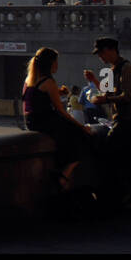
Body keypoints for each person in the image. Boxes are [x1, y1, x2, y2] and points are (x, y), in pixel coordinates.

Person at [21, 47, 92, 188]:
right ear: (50, 63)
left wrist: (58, 92)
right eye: (56, 62)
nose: (57, 65)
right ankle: (66, 173)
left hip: (31, 121)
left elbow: (38, 97)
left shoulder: (30, 80)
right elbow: (60, 111)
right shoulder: (48, 81)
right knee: (83, 138)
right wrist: (80, 126)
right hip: (46, 120)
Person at [94, 36, 131, 207]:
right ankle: (126, 194)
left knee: (113, 153)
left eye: (101, 53)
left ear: (110, 50)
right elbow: (108, 92)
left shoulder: (127, 69)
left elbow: (129, 95)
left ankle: (125, 194)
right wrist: (95, 83)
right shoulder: (113, 69)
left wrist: (105, 101)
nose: (100, 57)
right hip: (118, 119)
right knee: (125, 158)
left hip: (127, 120)